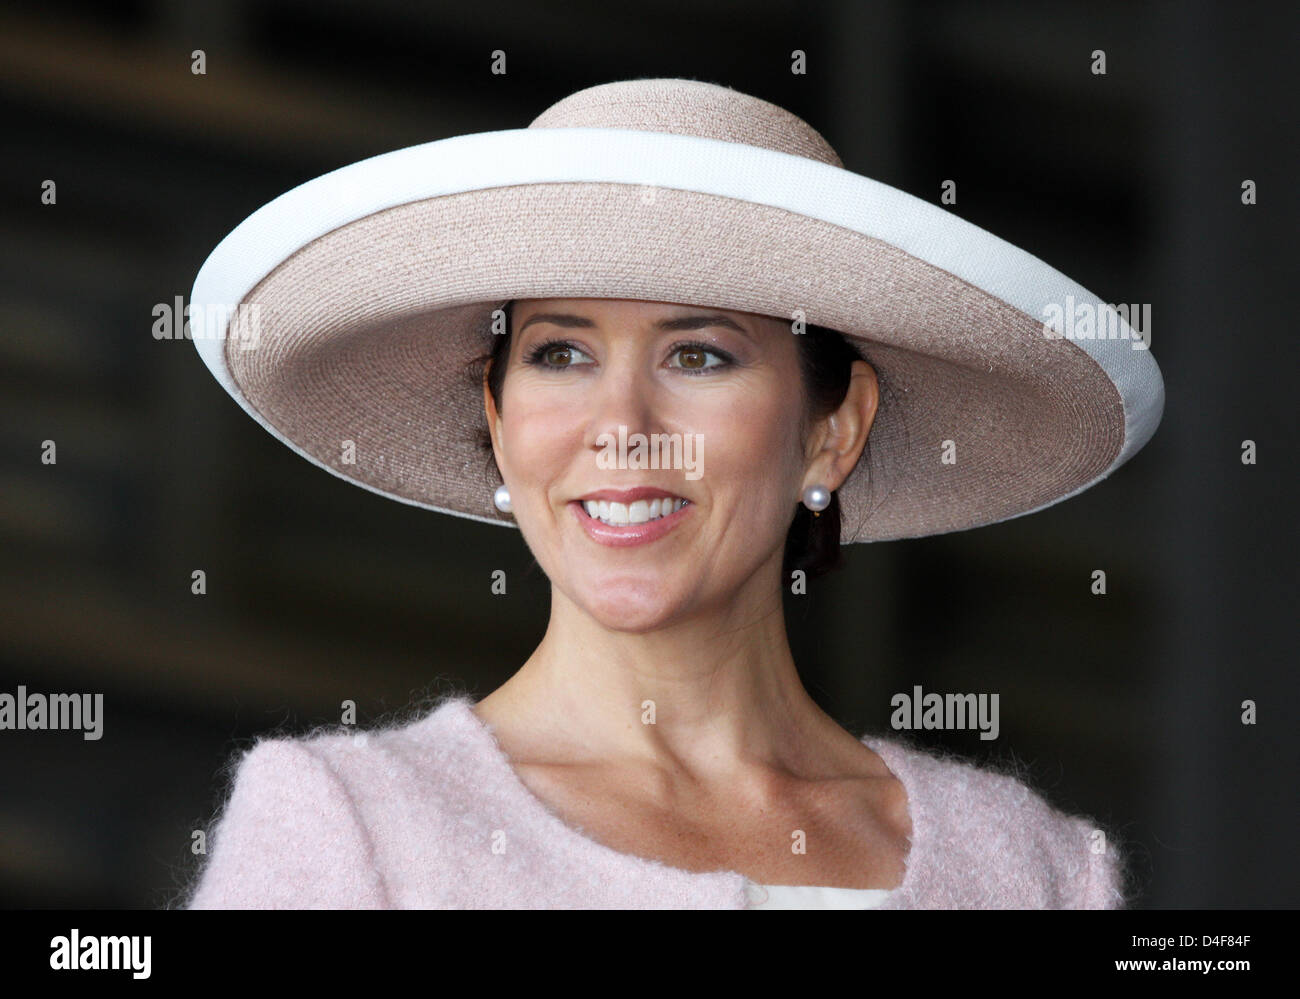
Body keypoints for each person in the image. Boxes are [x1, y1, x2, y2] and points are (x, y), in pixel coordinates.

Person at [178, 78, 1163, 909]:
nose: (621, 423)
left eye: (698, 354)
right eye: (559, 354)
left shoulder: (1033, 871)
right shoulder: (350, 828)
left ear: (832, 431)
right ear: (497, 410)